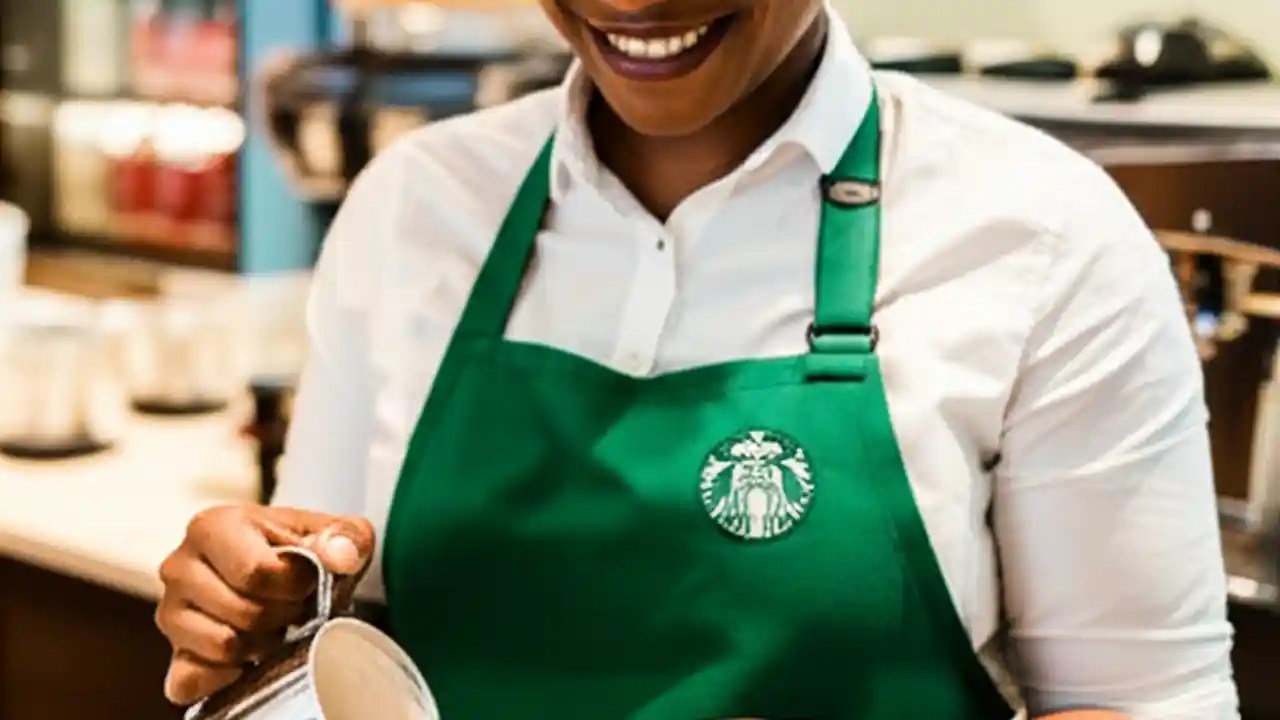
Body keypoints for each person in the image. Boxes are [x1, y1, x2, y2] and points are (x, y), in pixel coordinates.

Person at [155, 0, 1239, 717]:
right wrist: (248, 601)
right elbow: (323, 627)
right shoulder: (416, 204)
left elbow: (1146, 700)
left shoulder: (1037, 234)